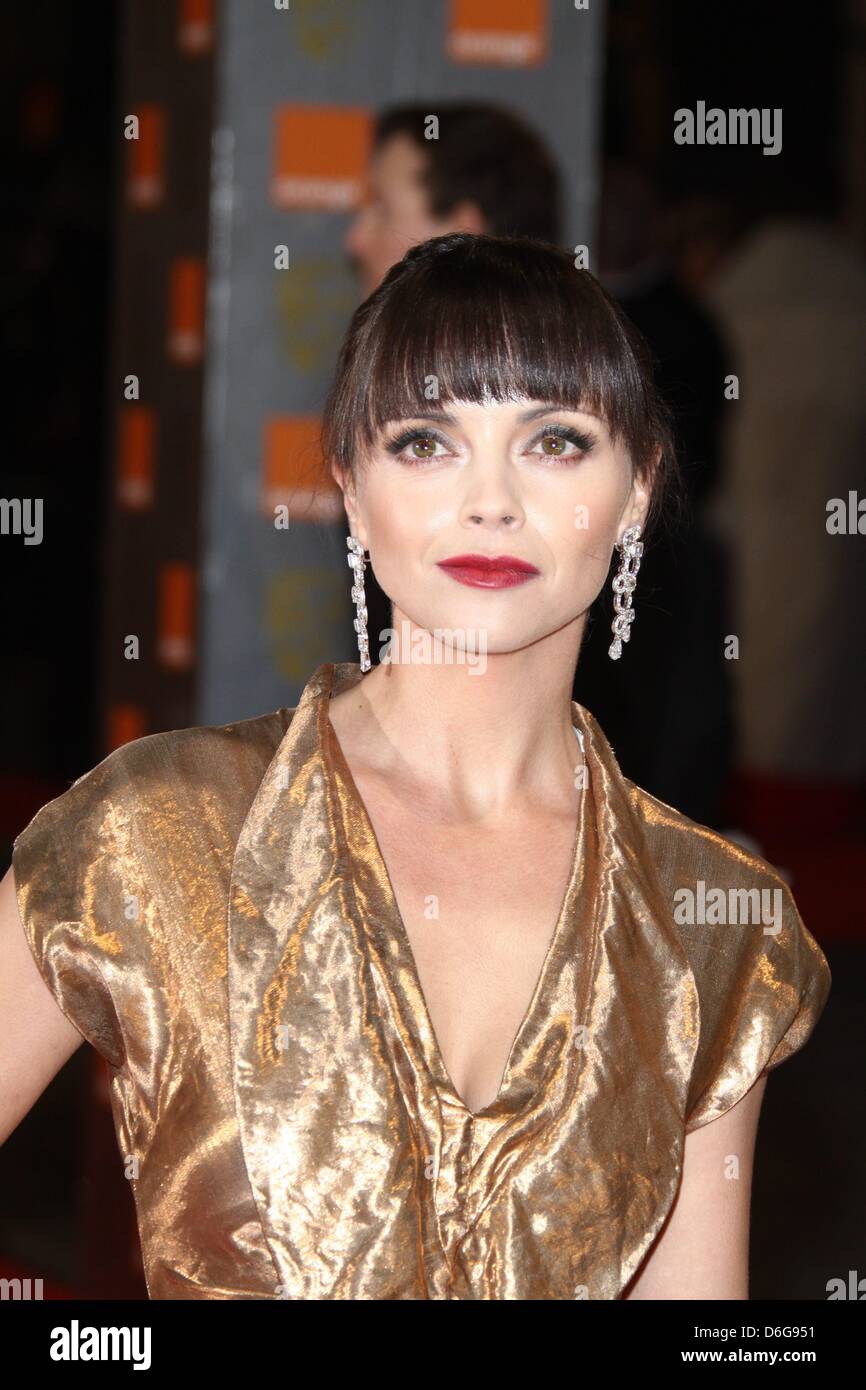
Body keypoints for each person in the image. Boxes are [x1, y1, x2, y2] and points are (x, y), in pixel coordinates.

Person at [1, 234, 830, 1300]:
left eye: (556, 442)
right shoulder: (156, 827)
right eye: (428, 441)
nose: (490, 500)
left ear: (638, 488)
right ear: (350, 480)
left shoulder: (715, 923)